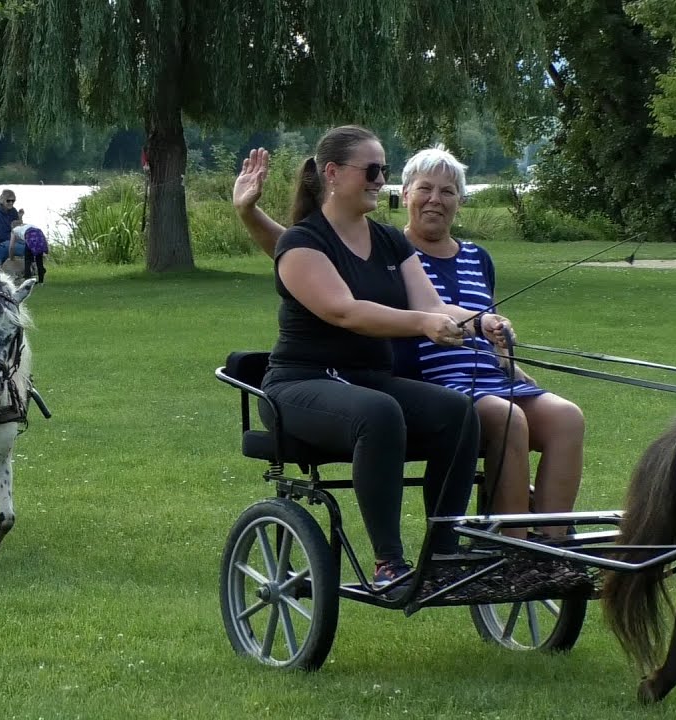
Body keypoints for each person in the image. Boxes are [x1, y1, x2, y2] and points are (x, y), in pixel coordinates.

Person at [237, 144, 586, 540]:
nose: (435, 200)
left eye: (448, 191)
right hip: (393, 377)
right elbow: (309, 259)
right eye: (423, 188)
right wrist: (249, 213)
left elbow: (438, 307)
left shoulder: (447, 253)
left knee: (564, 416)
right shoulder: (353, 245)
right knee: (497, 418)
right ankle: (504, 545)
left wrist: (486, 327)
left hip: (461, 377)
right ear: (405, 195)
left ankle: (551, 542)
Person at [231, 126, 509, 588]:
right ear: (334, 174)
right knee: (378, 413)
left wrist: (479, 322)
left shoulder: (389, 241)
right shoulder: (302, 243)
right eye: (374, 170)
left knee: (459, 412)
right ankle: (389, 562)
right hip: (301, 384)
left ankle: (443, 554)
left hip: (365, 378)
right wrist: (420, 324)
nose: (382, 180)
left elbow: (432, 305)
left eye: (384, 170)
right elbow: (345, 311)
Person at [0, 189, 27, 267]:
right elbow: (0, 235)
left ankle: (29, 269)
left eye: (13, 201)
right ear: (2, 200)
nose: (11, 203)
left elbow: (17, 228)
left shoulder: (13, 211)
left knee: (30, 243)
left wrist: (20, 219)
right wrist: (16, 238)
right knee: (25, 248)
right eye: (8, 200)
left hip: (11, 238)